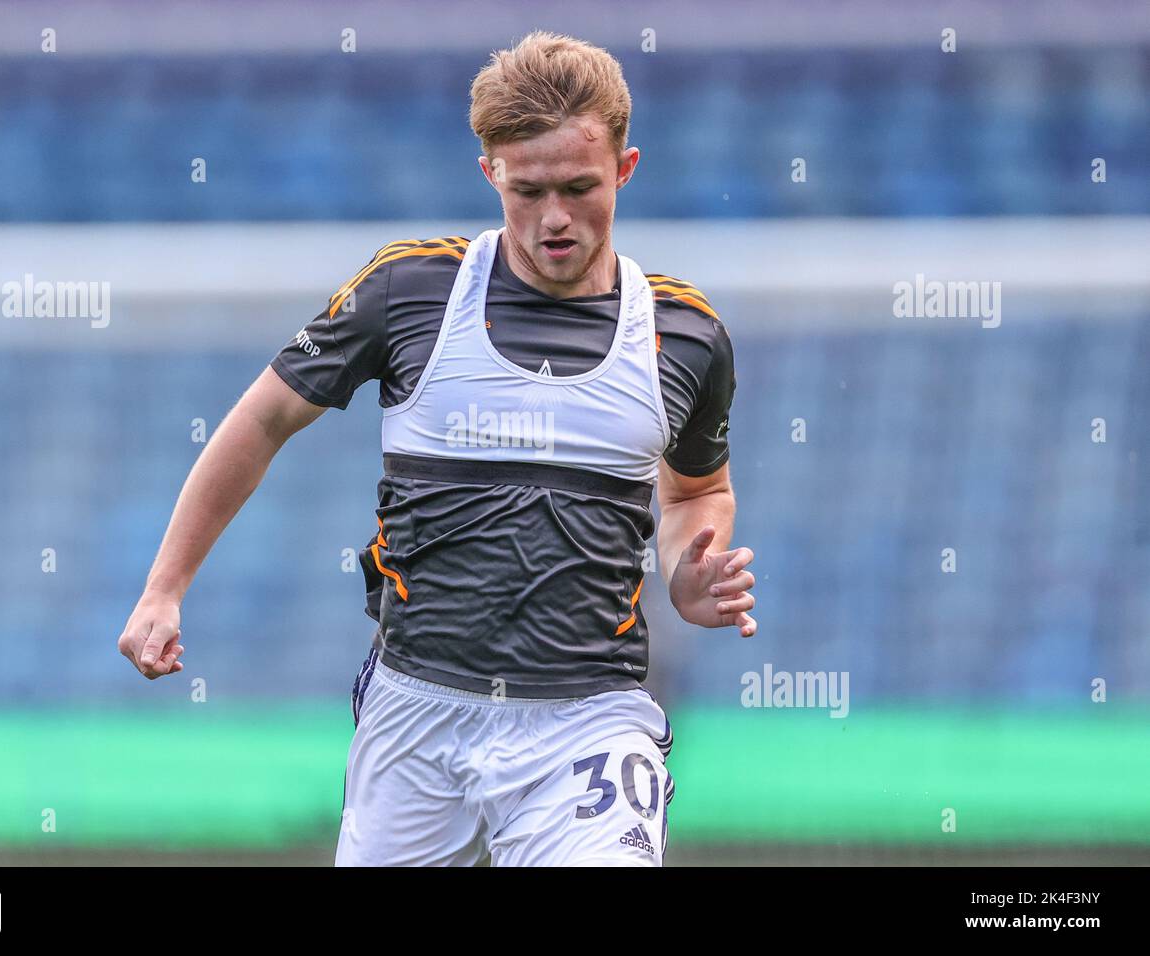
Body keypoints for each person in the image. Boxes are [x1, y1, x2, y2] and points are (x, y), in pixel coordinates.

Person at [118, 30, 755, 867]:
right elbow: (262, 419)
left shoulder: (685, 334)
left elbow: (695, 493)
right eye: (527, 190)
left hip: (589, 715)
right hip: (417, 712)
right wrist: (165, 587)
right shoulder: (409, 290)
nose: (554, 218)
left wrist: (685, 574)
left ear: (625, 169)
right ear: (489, 171)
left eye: (579, 187)